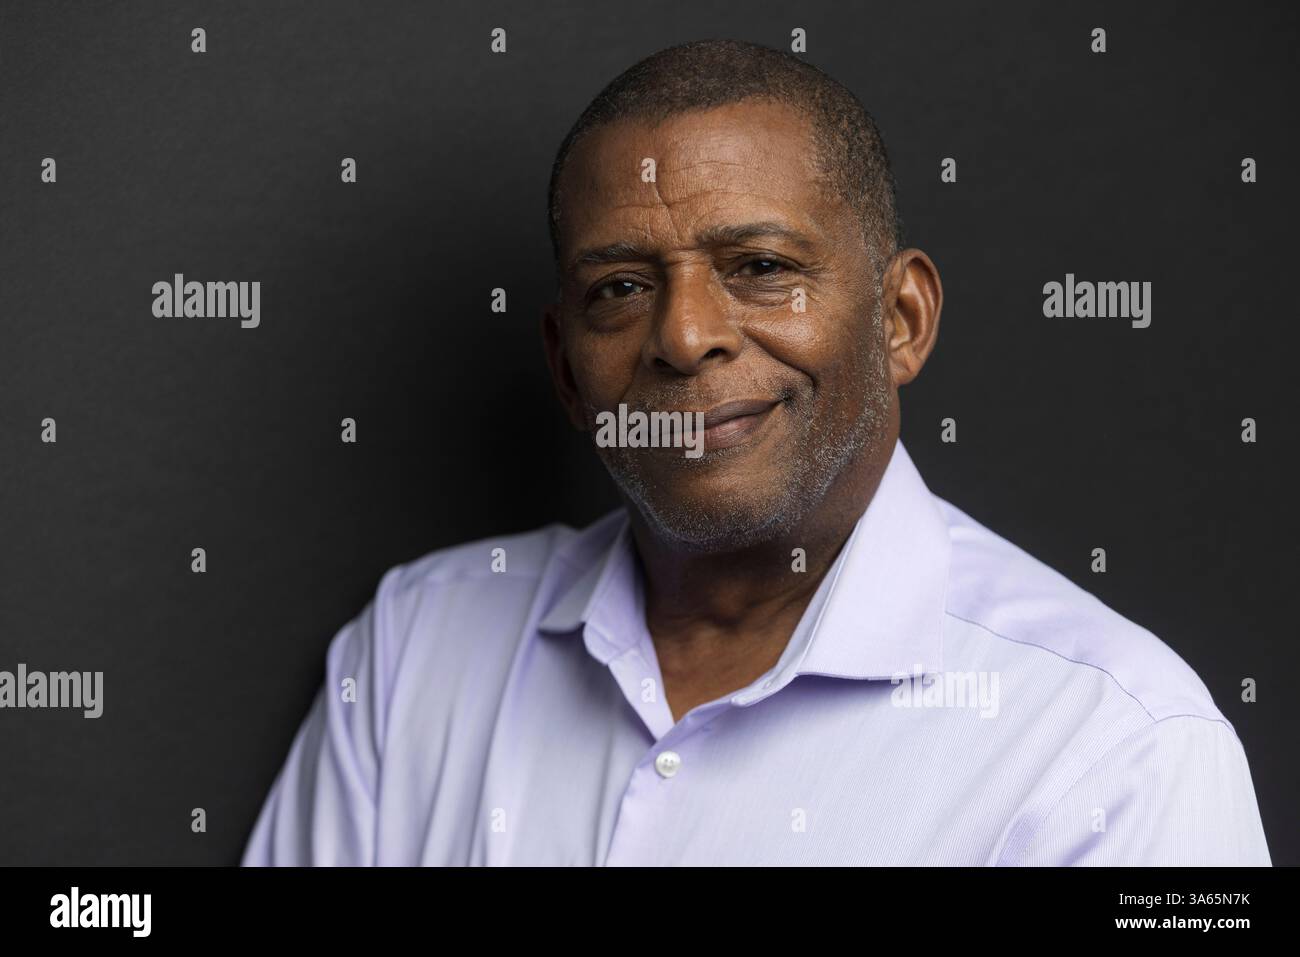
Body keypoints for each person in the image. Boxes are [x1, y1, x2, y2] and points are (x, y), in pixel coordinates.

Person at [242, 39, 1270, 866]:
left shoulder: (1115, 749)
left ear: (900, 321)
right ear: (564, 368)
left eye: (761, 266)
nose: (685, 337)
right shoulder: (415, 650)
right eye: (620, 287)